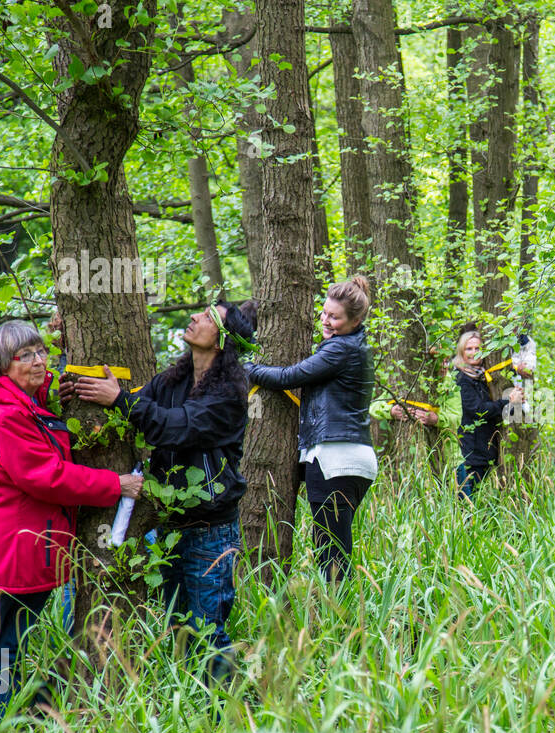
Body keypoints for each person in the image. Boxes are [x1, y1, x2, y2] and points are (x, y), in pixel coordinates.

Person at [0, 321, 141, 727]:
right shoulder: (2, 416)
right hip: (7, 555)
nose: (38, 361)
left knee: (9, 644)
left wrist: (62, 357)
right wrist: (115, 484)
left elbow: (40, 410)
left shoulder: (22, 402)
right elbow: (45, 476)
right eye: (25, 356)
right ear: (1, 365)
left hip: (29, 554)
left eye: (40, 351)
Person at [63, 300, 252, 680]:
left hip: (210, 531)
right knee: (177, 628)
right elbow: (139, 406)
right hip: (166, 526)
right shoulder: (175, 379)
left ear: (222, 341)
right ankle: (193, 715)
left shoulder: (230, 392)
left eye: (209, 316)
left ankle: (233, 711)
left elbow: (175, 426)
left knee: (205, 631)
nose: (195, 316)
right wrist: (79, 392)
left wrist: (119, 399)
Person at [245, 278, 376, 585]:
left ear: (355, 320)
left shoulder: (341, 350)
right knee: (332, 548)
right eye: (325, 312)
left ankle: (340, 622)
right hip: (345, 457)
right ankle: (336, 617)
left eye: (335, 317)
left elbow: (290, 376)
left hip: (335, 458)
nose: (326, 321)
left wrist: (245, 368)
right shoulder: (350, 345)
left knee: (331, 553)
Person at [454, 329, 522, 499]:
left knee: (479, 500)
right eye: (469, 349)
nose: (474, 353)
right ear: (461, 352)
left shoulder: (483, 376)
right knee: (467, 501)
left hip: (486, 450)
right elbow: (478, 410)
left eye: (478, 348)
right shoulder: (461, 378)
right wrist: (508, 402)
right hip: (471, 451)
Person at [371, 352, 462, 478]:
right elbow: (374, 406)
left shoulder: (450, 384)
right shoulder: (405, 381)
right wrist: (391, 411)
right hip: (408, 460)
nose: (443, 366)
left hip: (450, 459)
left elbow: (456, 418)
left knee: (462, 496)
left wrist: (437, 419)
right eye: (437, 362)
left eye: (445, 361)